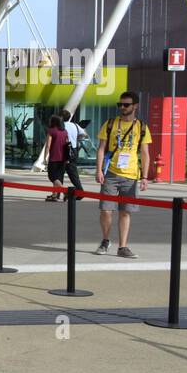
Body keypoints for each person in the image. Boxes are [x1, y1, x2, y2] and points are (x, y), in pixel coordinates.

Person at [94, 91, 152, 258]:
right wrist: (98, 170)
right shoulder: (110, 124)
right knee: (106, 210)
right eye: (120, 104)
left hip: (131, 175)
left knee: (125, 211)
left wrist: (145, 177)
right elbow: (101, 148)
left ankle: (123, 246)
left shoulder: (141, 127)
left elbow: (145, 153)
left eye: (126, 104)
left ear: (135, 106)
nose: (122, 107)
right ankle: (105, 240)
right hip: (111, 172)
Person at [44, 115, 69, 202]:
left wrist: (45, 158)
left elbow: (48, 146)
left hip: (54, 158)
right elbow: (67, 144)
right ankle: (54, 195)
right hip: (63, 158)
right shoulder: (65, 131)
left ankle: (65, 192)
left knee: (52, 177)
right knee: (58, 177)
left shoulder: (51, 131)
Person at [59, 110, 84, 194]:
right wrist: (76, 138)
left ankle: (58, 193)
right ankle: (80, 191)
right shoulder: (75, 125)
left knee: (59, 173)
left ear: (61, 117)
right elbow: (84, 134)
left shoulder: (60, 126)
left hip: (63, 150)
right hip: (73, 150)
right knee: (73, 172)